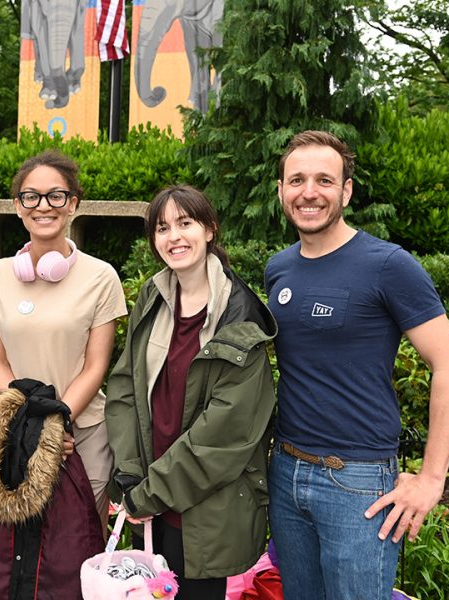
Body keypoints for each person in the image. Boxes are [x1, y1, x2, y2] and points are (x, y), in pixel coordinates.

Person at [264, 130, 449, 599]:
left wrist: (432, 479)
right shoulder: (279, 268)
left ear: (346, 191)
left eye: (324, 180)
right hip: (286, 471)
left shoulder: (388, 265)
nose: (309, 192)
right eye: (296, 180)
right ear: (281, 191)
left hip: (357, 483)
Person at [106, 185, 277, 599]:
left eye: (186, 223)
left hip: (205, 511)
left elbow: (222, 438)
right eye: (162, 227)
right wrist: (130, 474)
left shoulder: (240, 318)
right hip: (150, 500)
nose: (173, 236)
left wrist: (146, 495)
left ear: (210, 230)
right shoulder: (154, 296)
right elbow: (126, 385)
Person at [0, 149, 127, 523]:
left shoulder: (101, 277)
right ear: (17, 206)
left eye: (56, 195)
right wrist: (25, 424)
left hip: (84, 433)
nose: (42, 206)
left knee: (81, 541)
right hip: (19, 429)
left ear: (73, 203)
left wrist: (56, 423)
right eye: (31, 196)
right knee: (27, 549)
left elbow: (96, 367)